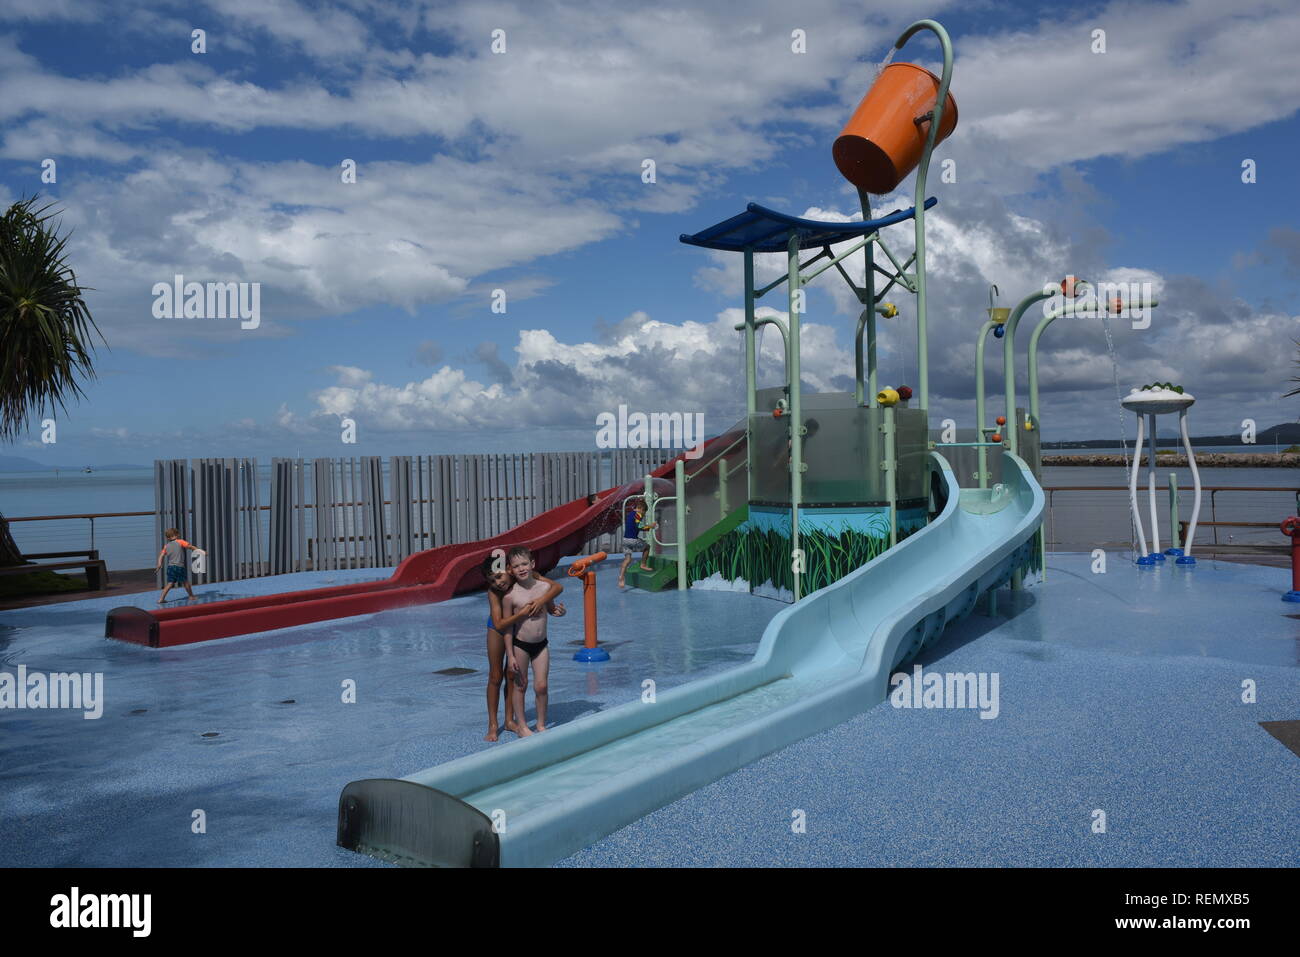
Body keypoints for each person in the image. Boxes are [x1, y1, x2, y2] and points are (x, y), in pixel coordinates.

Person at [480, 553, 564, 742]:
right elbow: (500, 624)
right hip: (498, 628)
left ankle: (510, 720)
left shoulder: (528, 576)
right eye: (492, 580)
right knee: (495, 676)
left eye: (500, 576)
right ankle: (493, 724)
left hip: (519, 631)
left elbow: (556, 587)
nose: (498, 582)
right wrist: (522, 613)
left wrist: (544, 604)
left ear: (509, 569)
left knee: (513, 673)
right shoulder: (494, 593)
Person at [502, 546, 566, 736]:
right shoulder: (510, 596)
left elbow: (552, 610)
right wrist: (510, 655)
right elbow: (507, 627)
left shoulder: (545, 588)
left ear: (532, 564)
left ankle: (540, 724)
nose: (521, 569)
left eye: (524, 564)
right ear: (510, 569)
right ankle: (522, 726)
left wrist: (561, 612)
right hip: (520, 645)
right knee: (520, 686)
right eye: (516, 566)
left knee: (542, 686)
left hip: (541, 644)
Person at [156, 528, 205, 603]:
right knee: (185, 582)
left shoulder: (166, 546)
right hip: (179, 566)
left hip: (170, 567)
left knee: (170, 583)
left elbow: (161, 555)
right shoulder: (180, 541)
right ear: (177, 535)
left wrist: (159, 563)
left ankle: (161, 599)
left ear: (168, 538)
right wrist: (200, 551)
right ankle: (191, 596)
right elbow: (190, 547)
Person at [617, 499, 656, 588]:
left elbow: (634, 525)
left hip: (625, 540)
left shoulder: (630, 514)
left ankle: (621, 577)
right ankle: (643, 564)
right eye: (644, 512)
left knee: (627, 560)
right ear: (641, 509)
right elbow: (639, 526)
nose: (643, 515)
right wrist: (651, 526)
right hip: (632, 540)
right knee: (647, 547)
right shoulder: (638, 514)